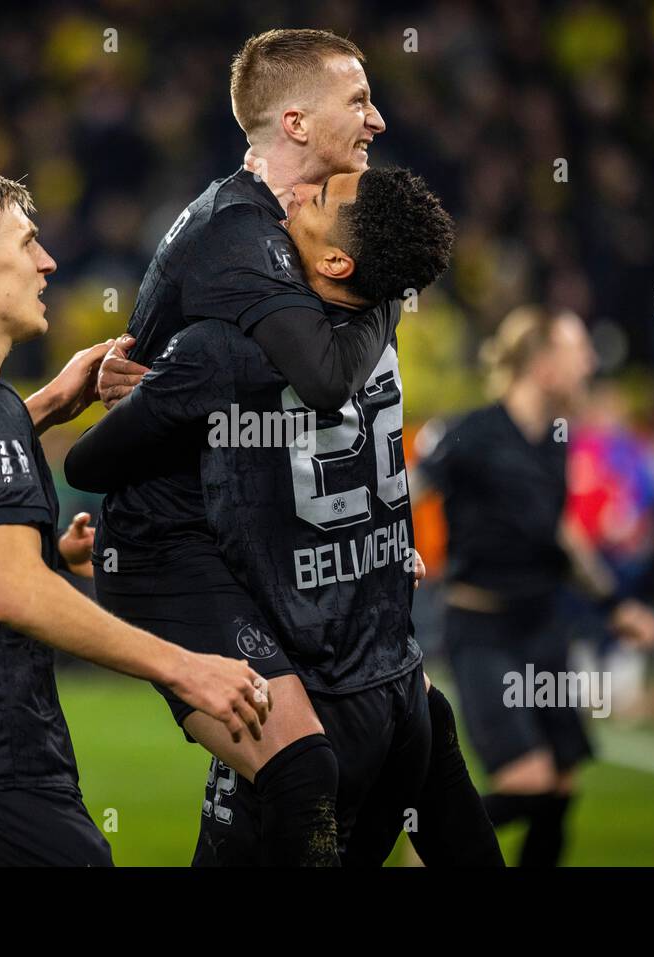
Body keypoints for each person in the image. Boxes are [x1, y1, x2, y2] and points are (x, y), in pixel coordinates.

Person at [87, 28, 500, 866]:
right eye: (359, 100)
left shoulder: (317, 226)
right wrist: (394, 280)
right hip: (181, 548)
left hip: (271, 519)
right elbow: (320, 379)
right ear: (296, 122)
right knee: (306, 763)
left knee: (416, 729)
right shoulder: (238, 239)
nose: (378, 119)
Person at [0, 172, 271, 866]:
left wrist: (50, 405)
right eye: (29, 241)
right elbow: (13, 590)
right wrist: (185, 668)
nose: (49, 261)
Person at [414, 305, 654, 866]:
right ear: (544, 364)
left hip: (543, 626)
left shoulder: (557, 441)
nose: (590, 363)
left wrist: (615, 604)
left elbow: (561, 533)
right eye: (579, 352)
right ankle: (424, 842)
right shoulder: (469, 434)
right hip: (483, 631)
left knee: (560, 789)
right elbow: (401, 497)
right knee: (529, 782)